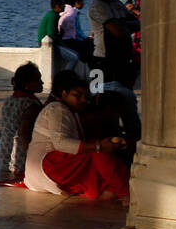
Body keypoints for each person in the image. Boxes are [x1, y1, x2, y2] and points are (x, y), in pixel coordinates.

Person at [23, 72, 130, 203]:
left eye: (85, 97)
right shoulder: (58, 108)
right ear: (64, 94)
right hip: (47, 166)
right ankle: (126, 193)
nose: (83, 100)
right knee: (98, 152)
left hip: (39, 176)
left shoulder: (71, 111)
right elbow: (61, 144)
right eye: (77, 95)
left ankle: (118, 190)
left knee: (103, 161)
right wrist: (99, 146)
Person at [88, 0, 139, 89]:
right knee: (101, 97)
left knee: (124, 97)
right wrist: (123, 24)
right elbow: (118, 32)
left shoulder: (117, 4)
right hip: (104, 60)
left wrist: (121, 24)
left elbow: (137, 23)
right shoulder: (97, 7)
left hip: (123, 59)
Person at [0, 62, 43, 182]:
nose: (42, 83)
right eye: (38, 80)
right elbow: (25, 134)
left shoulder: (9, 100)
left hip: (5, 156)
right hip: (20, 160)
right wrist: (32, 158)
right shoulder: (30, 105)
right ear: (26, 84)